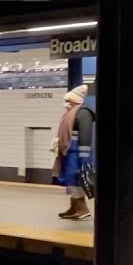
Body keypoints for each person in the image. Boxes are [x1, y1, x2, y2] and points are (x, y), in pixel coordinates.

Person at [53, 84, 94, 220]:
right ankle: (75, 207)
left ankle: (82, 208)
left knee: (76, 178)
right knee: (71, 178)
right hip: (70, 151)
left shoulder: (83, 112)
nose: (66, 104)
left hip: (78, 152)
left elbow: (85, 135)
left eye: (68, 101)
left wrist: (84, 157)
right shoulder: (73, 113)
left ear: (75, 100)